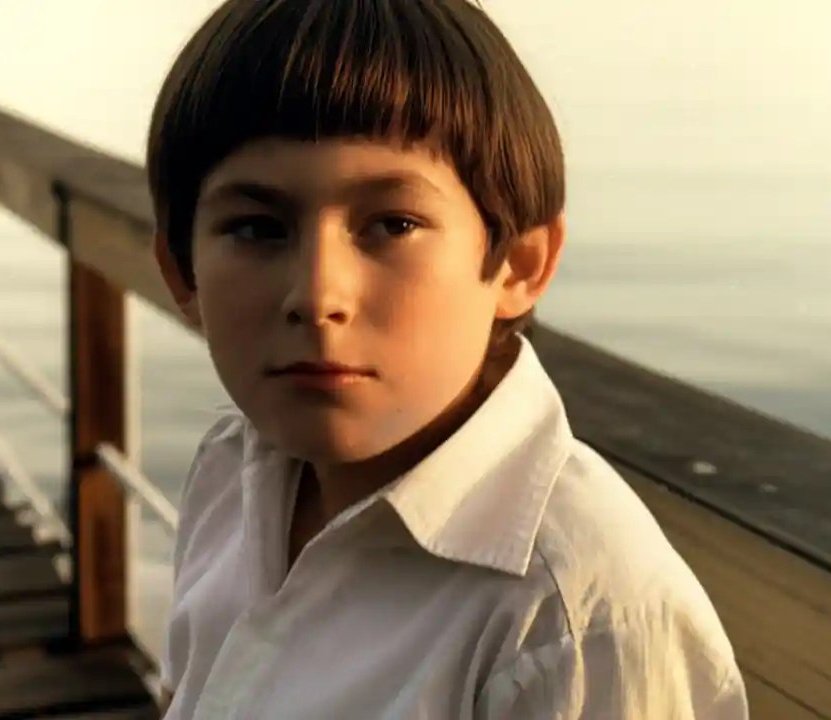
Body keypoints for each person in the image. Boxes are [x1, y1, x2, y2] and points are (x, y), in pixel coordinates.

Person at [144, 0, 748, 717]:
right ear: (182, 274)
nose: (317, 294)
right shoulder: (230, 473)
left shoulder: (575, 621)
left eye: (392, 224)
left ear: (519, 264)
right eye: (256, 228)